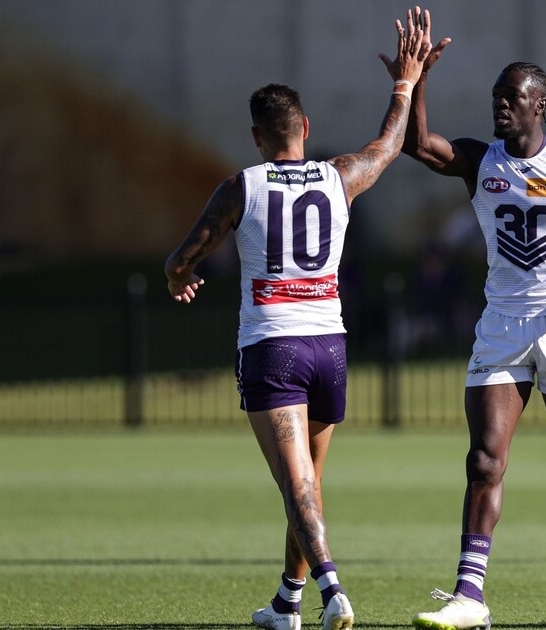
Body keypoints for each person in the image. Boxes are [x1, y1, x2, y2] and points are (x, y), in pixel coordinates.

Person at [163, 16, 430, 630]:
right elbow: (388, 148)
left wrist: (179, 279)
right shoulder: (339, 176)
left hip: (274, 347)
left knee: (297, 487)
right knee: (307, 482)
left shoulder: (241, 188)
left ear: (257, 136)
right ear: (305, 129)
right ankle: (288, 601)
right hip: (329, 348)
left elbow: (182, 259)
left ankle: (333, 589)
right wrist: (405, 85)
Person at [397, 9, 546, 630]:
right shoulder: (479, 159)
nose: (499, 107)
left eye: (511, 98)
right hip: (502, 326)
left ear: (538, 104)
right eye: (495, 98)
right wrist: (417, 82)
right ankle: (470, 595)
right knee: (484, 460)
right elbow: (417, 146)